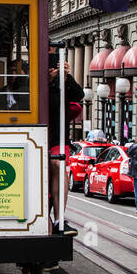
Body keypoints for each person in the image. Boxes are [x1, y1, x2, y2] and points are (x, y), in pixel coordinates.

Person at [48, 50, 85, 235]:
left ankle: (59, 219)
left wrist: (66, 77)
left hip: (57, 138)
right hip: (38, 137)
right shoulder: (40, 84)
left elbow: (79, 95)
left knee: (58, 163)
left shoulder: (64, 85)